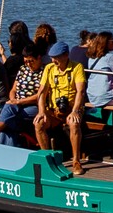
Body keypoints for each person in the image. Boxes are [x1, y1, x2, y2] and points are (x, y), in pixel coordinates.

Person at [35, 41, 88, 169]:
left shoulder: (77, 67)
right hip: (54, 110)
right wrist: (41, 111)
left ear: (65, 55)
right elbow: (42, 93)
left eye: (56, 57)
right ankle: (47, 158)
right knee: (39, 123)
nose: (53, 61)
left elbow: (80, 92)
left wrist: (75, 110)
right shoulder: (49, 69)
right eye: (52, 58)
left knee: (74, 123)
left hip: (71, 109)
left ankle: (76, 161)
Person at [0, 30, 44, 144]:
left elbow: (39, 95)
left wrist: (19, 102)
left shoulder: (43, 73)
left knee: (8, 119)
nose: (28, 64)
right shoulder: (22, 69)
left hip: (32, 105)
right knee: (10, 112)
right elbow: (14, 89)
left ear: (39, 58)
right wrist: (13, 99)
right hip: (16, 104)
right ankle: (9, 148)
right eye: (26, 61)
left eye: (31, 61)